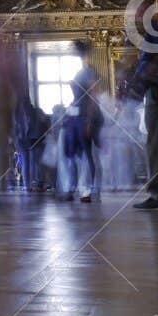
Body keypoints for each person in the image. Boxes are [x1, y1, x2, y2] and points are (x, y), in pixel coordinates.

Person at [120, 2, 158, 209]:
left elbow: (154, 67)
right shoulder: (155, 35)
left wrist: (135, 91)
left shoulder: (156, 34)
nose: (134, 19)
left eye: (136, 14)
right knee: (157, 143)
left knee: (156, 145)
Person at [57, 41, 103, 202]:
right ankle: (72, 187)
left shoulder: (89, 72)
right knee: (72, 154)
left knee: (85, 154)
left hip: (84, 118)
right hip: (75, 117)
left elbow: (93, 97)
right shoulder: (80, 72)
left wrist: (90, 120)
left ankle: (86, 191)